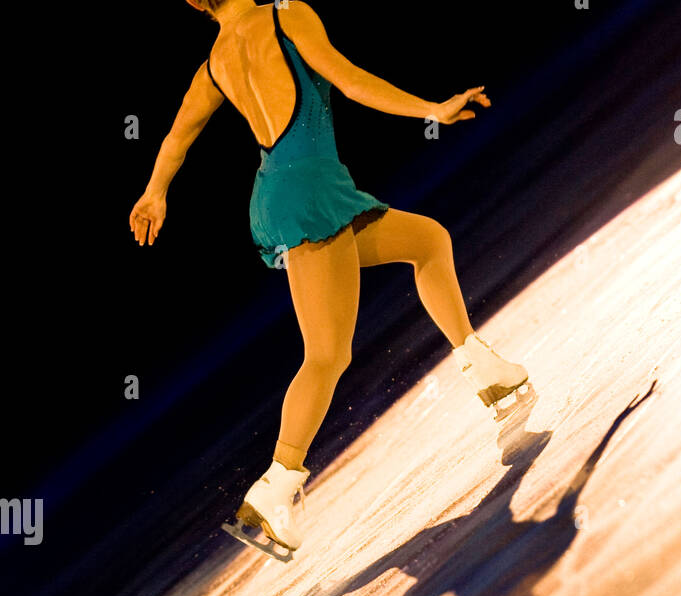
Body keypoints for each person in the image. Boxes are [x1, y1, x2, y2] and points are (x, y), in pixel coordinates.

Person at [130, 0, 529, 560]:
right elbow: (347, 77)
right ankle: (275, 487)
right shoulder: (284, 13)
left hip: (284, 192)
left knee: (427, 241)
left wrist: (154, 192)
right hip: (309, 194)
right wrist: (429, 109)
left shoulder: (214, 63)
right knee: (326, 355)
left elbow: (176, 138)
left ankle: (483, 365)